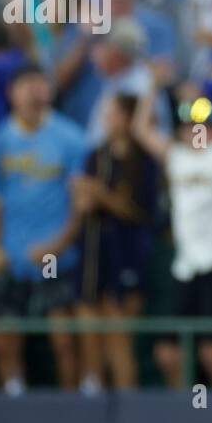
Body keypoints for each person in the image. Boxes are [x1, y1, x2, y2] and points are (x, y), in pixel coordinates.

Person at [0, 63, 90, 394]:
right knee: (4, 340)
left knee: (65, 340)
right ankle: (13, 406)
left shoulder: (72, 139)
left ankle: (73, 413)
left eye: (39, 85)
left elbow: (81, 206)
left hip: (57, 259)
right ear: (11, 93)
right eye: (25, 85)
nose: (33, 93)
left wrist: (59, 245)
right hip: (12, 259)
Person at [132, 82, 212, 392]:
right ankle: (188, 414)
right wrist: (153, 86)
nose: (194, 132)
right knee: (168, 353)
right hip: (187, 266)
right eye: (188, 126)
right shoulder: (177, 157)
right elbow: (141, 129)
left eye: (202, 126)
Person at [74, 93, 160, 392]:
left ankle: (128, 417)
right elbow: (82, 205)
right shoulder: (95, 157)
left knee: (118, 343)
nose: (106, 120)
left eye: (112, 114)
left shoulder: (146, 161)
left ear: (128, 118)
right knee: (91, 343)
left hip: (128, 256)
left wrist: (101, 195)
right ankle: (94, 414)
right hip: (94, 256)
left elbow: (138, 210)